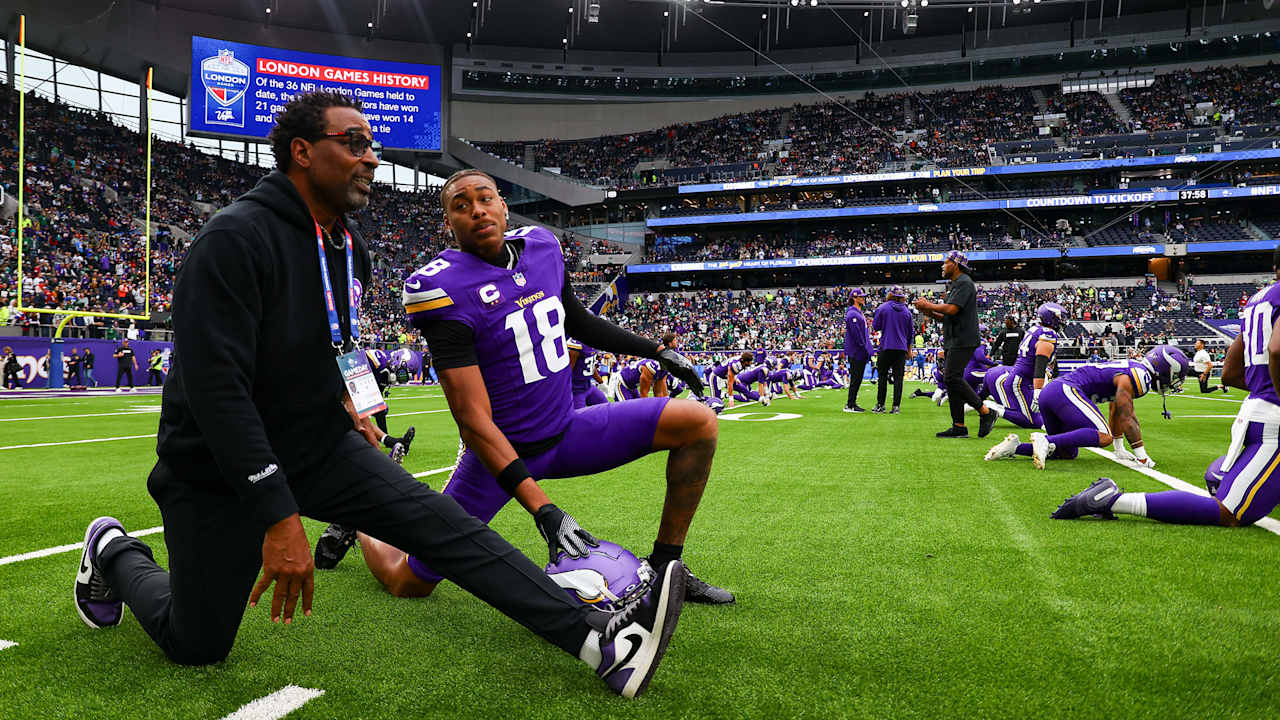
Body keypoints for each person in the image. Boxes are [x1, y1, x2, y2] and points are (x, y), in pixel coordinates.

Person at [72, 93, 688, 699]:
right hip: (219, 465)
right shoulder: (233, 239)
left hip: (317, 444)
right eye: (355, 144)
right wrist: (278, 513)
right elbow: (216, 391)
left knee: (449, 529)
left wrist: (361, 407)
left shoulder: (347, 246)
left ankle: (600, 640)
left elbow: (344, 347)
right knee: (197, 644)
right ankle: (113, 548)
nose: (371, 159)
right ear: (303, 152)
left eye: (372, 146)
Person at [319, 168, 731, 607]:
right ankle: (363, 520)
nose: (476, 210)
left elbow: (577, 319)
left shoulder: (541, 247)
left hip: (567, 432)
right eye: (461, 206)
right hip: (498, 459)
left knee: (698, 424)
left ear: (503, 205)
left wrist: (657, 351)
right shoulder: (439, 287)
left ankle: (668, 566)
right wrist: (545, 510)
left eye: (484, 198)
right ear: (448, 225)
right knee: (410, 583)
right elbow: (473, 422)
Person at [1054, 264, 1280, 526]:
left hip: (1258, 412)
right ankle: (1111, 500)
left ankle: (1224, 476)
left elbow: (1229, 372)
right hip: (1271, 420)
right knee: (1231, 512)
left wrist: (1263, 389)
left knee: (1225, 481)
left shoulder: (1257, 301)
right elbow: (1276, 351)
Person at [985, 345, 1188, 470]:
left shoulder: (1134, 369)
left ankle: (1014, 448)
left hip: (1054, 393)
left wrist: (1119, 448)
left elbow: (1115, 408)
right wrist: (1142, 456)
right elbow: (1128, 416)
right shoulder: (1140, 376)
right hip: (1065, 391)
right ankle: (1044, 440)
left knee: (1066, 453)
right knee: (1102, 435)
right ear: (1165, 369)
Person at [913, 251, 997, 439]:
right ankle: (959, 425)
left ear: (956, 264)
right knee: (951, 381)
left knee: (951, 378)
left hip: (963, 338)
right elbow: (947, 316)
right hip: (955, 338)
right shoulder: (956, 285)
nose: (942, 266)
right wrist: (927, 310)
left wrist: (929, 304)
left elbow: (951, 309)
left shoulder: (964, 282)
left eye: (946, 262)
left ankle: (985, 411)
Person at [981, 302, 1065, 432]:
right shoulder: (1047, 334)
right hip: (1021, 381)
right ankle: (993, 408)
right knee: (1032, 421)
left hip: (1022, 378)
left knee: (1038, 415)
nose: (1062, 321)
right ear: (1051, 318)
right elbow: (1040, 364)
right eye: (1060, 317)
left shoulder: (1034, 329)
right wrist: (1037, 391)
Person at [872, 286, 912, 414]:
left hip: (886, 346)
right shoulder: (907, 311)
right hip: (901, 348)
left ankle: (880, 405)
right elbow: (910, 334)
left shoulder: (883, 308)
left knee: (882, 377)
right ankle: (896, 407)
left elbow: (875, 326)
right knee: (898, 378)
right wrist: (909, 350)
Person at [842, 288, 871, 413]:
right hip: (857, 350)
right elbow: (857, 334)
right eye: (861, 297)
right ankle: (850, 404)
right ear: (854, 298)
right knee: (856, 378)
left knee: (858, 378)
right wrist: (864, 347)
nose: (863, 298)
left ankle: (852, 403)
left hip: (859, 349)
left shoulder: (858, 312)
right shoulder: (853, 314)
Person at [567, 339, 608, 409]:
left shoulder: (592, 341)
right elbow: (567, 371)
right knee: (579, 417)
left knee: (605, 407)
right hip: (576, 391)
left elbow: (591, 367)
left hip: (588, 386)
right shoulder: (577, 345)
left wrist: (600, 382)